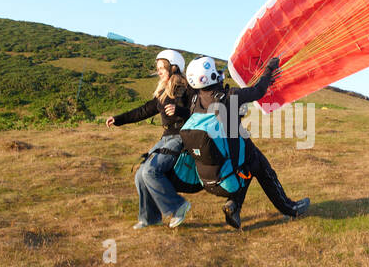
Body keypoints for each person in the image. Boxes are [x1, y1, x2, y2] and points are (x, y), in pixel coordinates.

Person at [180, 55, 310, 230]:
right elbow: (259, 91)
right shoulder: (230, 96)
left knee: (247, 168)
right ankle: (291, 209)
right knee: (265, 172)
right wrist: (270, 68)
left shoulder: (195, 102)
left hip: (209, 178)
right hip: (231, 171)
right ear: (210, 75)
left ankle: (234, 206)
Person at [105, 49, 194, 229]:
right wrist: (118, 119)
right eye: (158, 68)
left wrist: (180, 111)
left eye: (162, 67)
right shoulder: (162, 93)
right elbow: (143, 111)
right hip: (166, 137)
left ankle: (178, 206)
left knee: (150, 172)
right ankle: (150, 218)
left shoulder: (186, 89)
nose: (159, 71)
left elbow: (198, 112)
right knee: (140, 174)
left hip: (181, 137)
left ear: (174, 67)